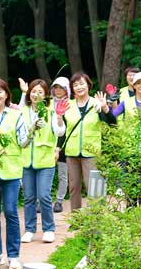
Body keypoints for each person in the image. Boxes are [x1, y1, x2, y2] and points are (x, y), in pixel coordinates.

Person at [0, 78, 31, 269]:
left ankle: (13, 255)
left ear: (6, 94)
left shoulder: (15, 115)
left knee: (11, 211)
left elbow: (23, 142)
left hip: (10, 170)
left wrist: (32, 131)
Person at [20, 79, 65, 244]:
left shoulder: (50, 111)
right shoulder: (22, 111)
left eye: (40, 92)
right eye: (33, 91)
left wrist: (59, 119)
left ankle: (49, 229)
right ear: (28, 93)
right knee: (29, 197)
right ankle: (30, 229)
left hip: (45, 160)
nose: (36, 94)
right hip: (26, 161)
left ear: (45, 94)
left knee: (44, 195)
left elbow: (60, 132)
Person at [61, 72, 114, 212]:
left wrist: (105, 108)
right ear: (72, 88)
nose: (79, 87)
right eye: (75, 84)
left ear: (88, 85)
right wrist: (57, 148)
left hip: (92, 152)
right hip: (72, 153)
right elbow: (63, 130)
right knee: (73, 187)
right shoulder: (67, 105)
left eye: (82, 83)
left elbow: (112, 123)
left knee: (95, 187)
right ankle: (77, 219)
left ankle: (96, 222)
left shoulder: (96, 103)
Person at [49, 77, 71, 212]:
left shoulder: (70, 104)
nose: (58, 90)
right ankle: (43, 200)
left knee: (63, 175)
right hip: (48, 143)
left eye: (61, 88)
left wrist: (59, 147)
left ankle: (59, 201)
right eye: (56, 87)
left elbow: (67, 127)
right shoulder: (48, 104)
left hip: (64, 144)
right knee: (47, 173)